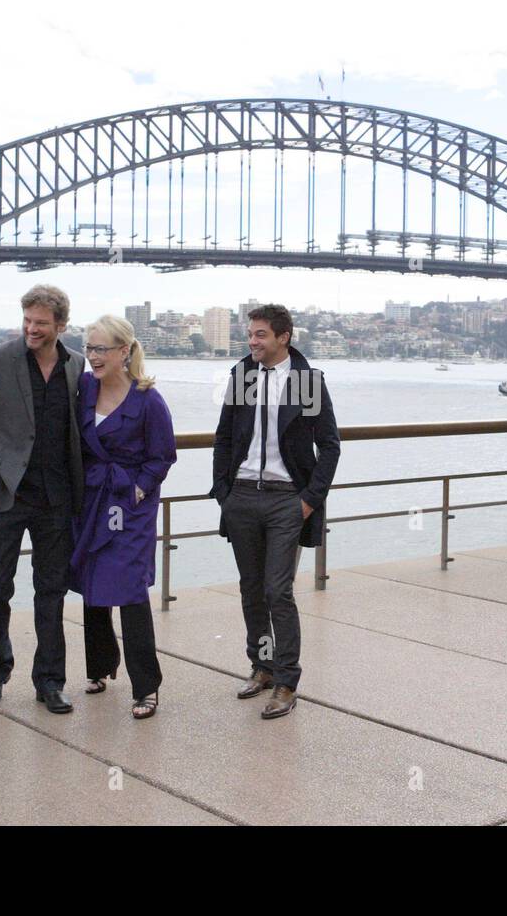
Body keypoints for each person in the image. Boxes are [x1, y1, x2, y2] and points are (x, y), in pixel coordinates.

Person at [0, 285, 84, 715]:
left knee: (51, 591)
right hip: (4, 495)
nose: (32, 328)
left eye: (41, 323)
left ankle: (50, 681)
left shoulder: (76, 366)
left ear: (60, 326)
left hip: (56, 498)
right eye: (27, 320)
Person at [210, 303, 340, 719]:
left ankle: (286, 681)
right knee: (251, 588)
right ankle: (262, 667)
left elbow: (330, 446)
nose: (252, 341)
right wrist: (223, 492)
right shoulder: (243, 375)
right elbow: (224, 437)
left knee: (277, 591)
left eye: (261, 334)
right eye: (250, 334)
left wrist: (308, 500)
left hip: (287, 499)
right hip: (243, 497)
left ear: (284, 337)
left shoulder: (309, 382)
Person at [69, 315, 176, 719]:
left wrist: (136, 490)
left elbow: (162, 456)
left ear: (124, 352)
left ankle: (146, 687)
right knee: (92, 581)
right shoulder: (83, 389)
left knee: (129, 589)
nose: (93, 357)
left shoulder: (148, 399)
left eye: (101, 349)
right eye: (89, 348)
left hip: (129, 508)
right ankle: (99, 667)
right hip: (91, 501)